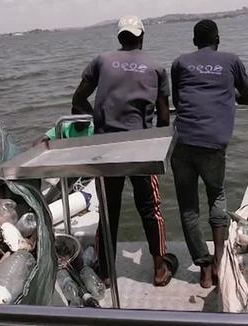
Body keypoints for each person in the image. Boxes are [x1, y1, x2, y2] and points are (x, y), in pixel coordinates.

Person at [71, 15, 178, 286]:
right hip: (141, 147)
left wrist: (97, 119)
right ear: (142, 37)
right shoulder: (156, 67)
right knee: (150, 209)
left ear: (119, 37)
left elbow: (78, 98)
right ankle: (159, 270)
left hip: (105, 147)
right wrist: (158, 147)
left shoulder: (101, 61)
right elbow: (164, 116)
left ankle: (106, 273)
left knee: (108, 210)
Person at [171, 19, 248, 288]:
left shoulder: (180, 63)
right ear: (218, 40)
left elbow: (178, 101)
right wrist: (230, 97)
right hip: (213, 145)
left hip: (182, 142)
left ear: (194, 41)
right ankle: (219, 260)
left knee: (188, 206)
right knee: (216, 194)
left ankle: (204, 267)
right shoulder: (231, 61)